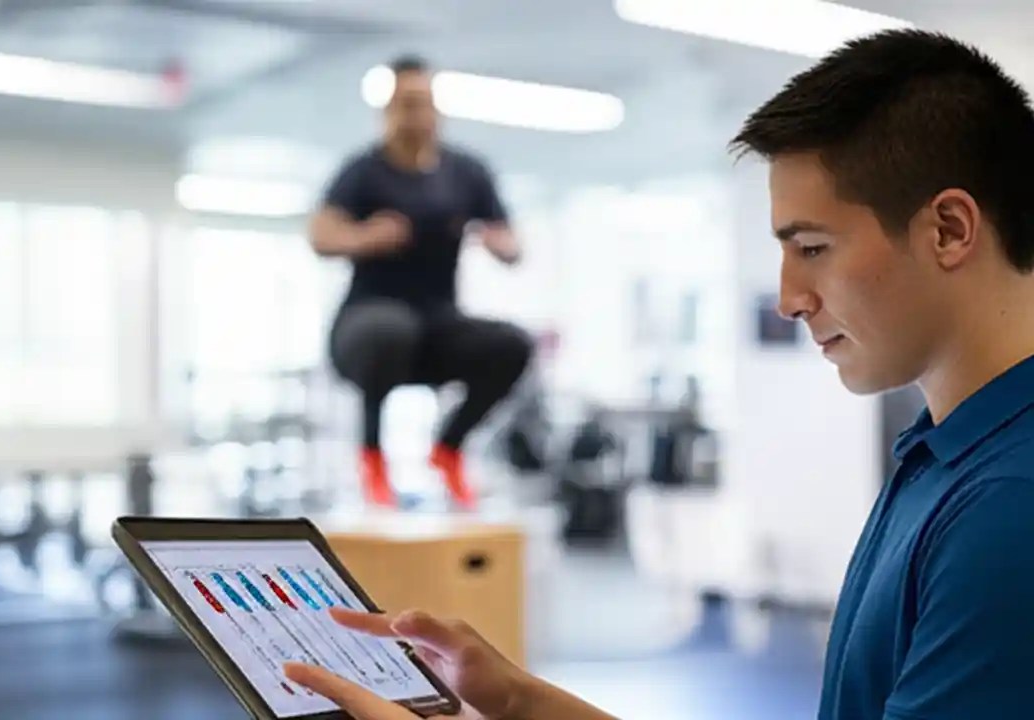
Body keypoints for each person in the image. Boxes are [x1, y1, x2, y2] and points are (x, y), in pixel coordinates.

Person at [285, 29, 1034, 720]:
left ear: (948, 230)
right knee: (380, 341)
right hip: (379, 325)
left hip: (433, 320)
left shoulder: (1008, 507)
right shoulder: (941, 455)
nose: (787, 298)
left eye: (811, 248)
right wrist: (522, 704)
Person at [310, 54, 533, 510]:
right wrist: (367, 237)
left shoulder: (466, 173)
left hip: (436, 327)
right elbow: (320, 235)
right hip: (365, 327)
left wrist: (497, 242)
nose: (417, 114)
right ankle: (373, 459)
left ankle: (448, 449)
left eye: (424, 103)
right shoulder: (363, 170)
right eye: (406, 103)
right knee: (391, 329)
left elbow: (511, 243)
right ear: (388, 110)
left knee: (512, 344)